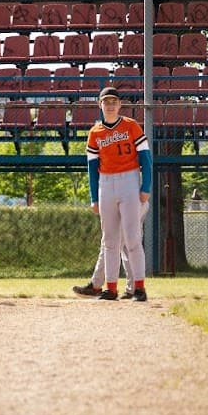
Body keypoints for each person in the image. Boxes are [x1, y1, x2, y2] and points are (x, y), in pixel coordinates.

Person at [76, 86, 152, 301]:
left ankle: (139, 287)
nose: (110, 105)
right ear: (100, 105)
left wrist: (145, 187)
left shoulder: (131, 126)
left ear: (119, 105)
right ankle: (110, 288)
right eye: (106, 102)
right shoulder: (95, 132)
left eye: (113, 102)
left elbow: (145, 159)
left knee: (132, 238)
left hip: (129, 179)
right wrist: (94, 197)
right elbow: (92, 168)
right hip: (106, 183)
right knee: (109, 239)